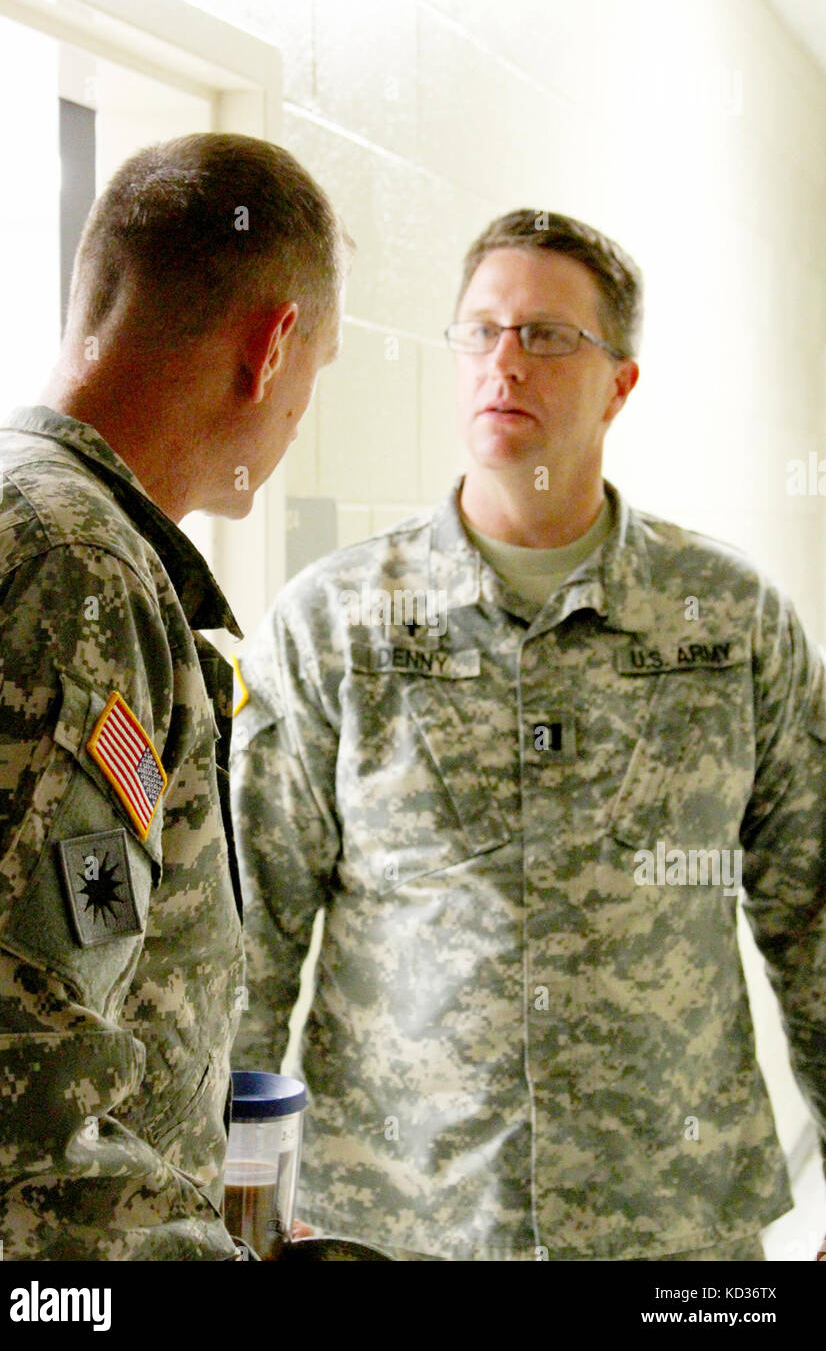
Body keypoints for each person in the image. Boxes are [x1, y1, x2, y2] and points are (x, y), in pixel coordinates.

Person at [230, 209, 826, 1262]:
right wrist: (231, 1206)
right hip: (400, 1221)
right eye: (479, 331)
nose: (503, 361)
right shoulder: (336, 624)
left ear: (618, 384)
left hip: (672, 1223)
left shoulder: (728, 621)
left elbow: (811, 916)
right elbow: (251, 940)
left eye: (547, 336)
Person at [0, 132, 345, 1260]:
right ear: (273, 348)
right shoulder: (74, 574)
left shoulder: (24, 523)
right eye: (313, 379)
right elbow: (15, 1118)